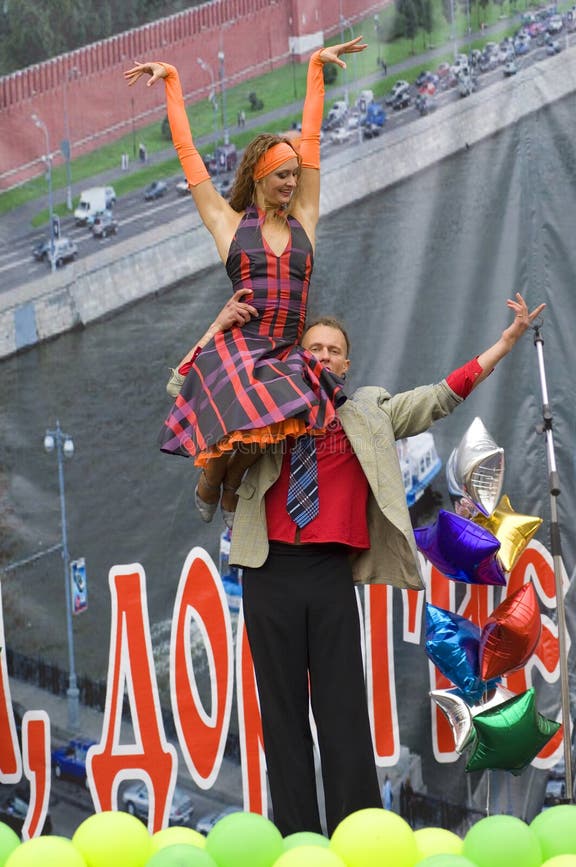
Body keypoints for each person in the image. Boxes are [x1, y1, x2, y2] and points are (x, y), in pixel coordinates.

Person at [174, 292, 545, 835]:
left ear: (347, 365)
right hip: (267, 573)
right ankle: (298, 838)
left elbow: (439, 397)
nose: (323, 357)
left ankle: (359, 835)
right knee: (281, 719)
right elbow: (188, 396)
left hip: (329, 576)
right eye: (314, 349)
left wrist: (506, 343)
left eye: (333, 350)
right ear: (297, 359)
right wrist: (216, 326)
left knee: (343, 712)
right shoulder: (265, 409)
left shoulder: (368, 412)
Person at [124, 38, 366, 528]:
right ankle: (213, 481)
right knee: (248, 406)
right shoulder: (228, 224)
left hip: (285, 350)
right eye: (282, 175)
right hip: (242, 346)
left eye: (296, 175)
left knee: (291, 405)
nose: (293, 183)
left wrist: (316, 70)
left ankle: (227, 486)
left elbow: (313, 142)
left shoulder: (305, 220)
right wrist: (172, 83)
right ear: (259, 176)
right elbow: (188, 154)